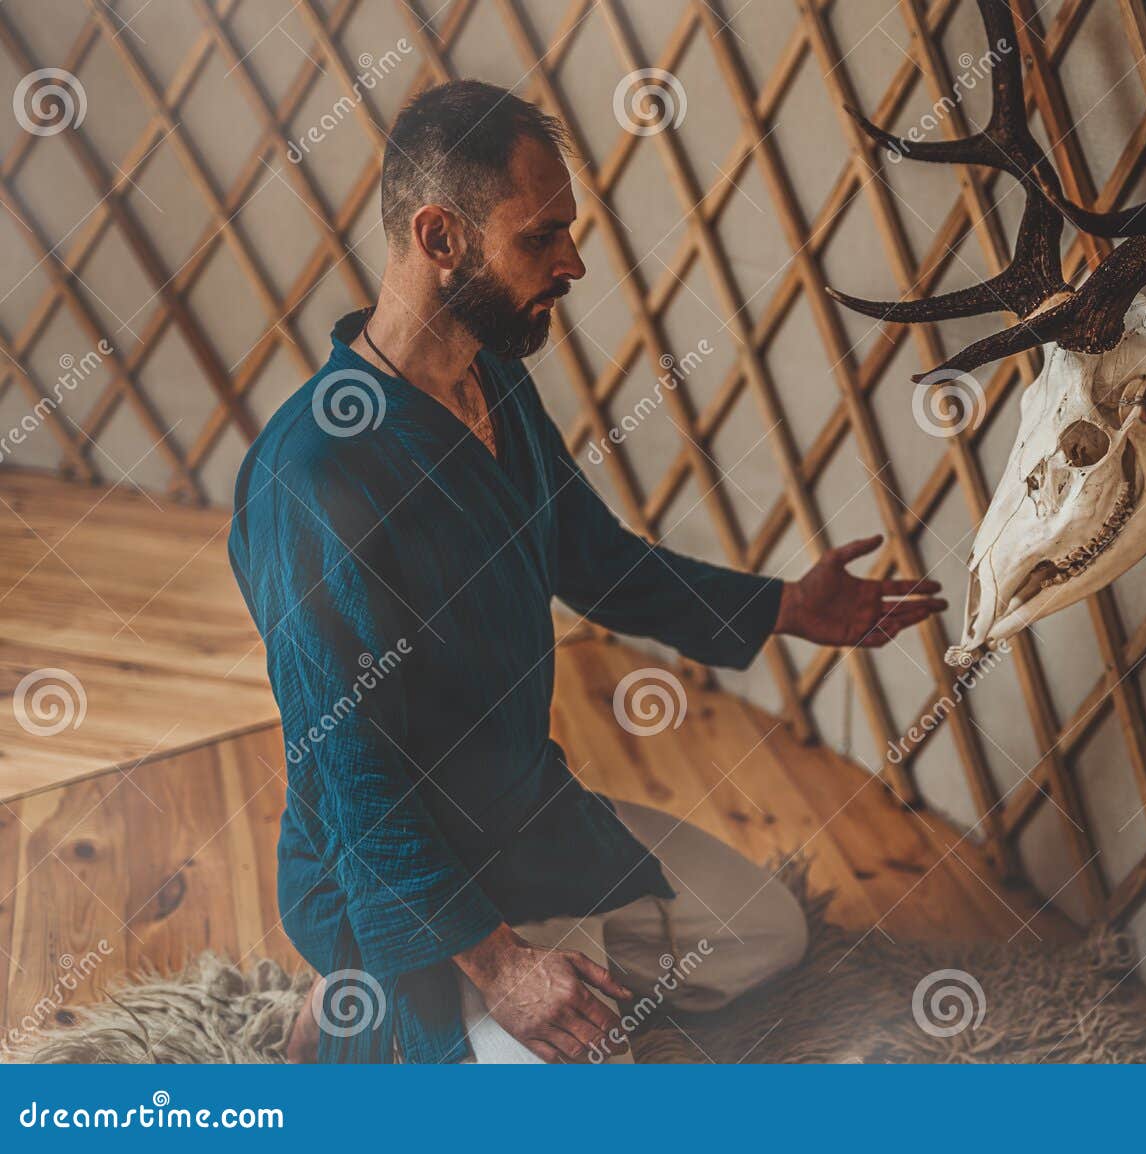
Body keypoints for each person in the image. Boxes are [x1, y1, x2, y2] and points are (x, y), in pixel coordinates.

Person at [228, 79, 944, 1064]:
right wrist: (502, 964)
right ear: (439, 239)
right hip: (399, 864)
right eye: (540, 236)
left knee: (765, 933)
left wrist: (783, 605)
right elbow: (351, 779)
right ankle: (382, 985)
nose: (572, 260)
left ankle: (544, 954)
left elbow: (593, 558)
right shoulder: (310, 475)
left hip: (525, 817)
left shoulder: (498, 381)